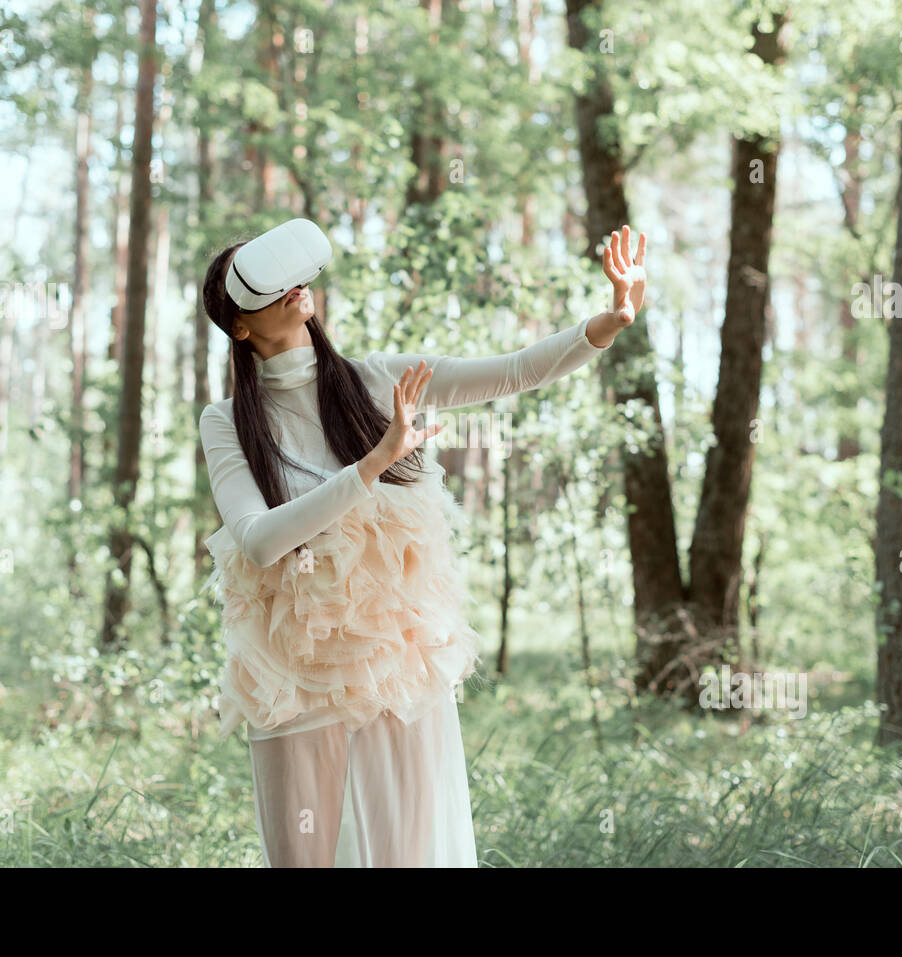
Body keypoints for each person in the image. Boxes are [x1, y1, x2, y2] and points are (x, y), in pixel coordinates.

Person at [198, 221, 647, 867]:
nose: (290, 283)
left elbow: (516, 371)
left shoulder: (379, 379)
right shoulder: (228, 421)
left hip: (397, 675)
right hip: (293, 680)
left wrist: (610, 319)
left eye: (287, 270)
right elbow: (259, 541)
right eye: (261, 280)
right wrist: (374, 464)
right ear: (240, 326)